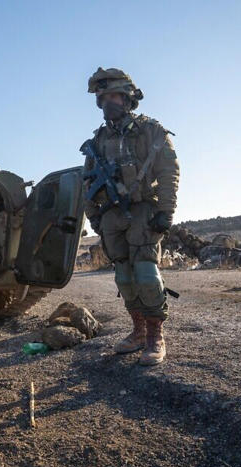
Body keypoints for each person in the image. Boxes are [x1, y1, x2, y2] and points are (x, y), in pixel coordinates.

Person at [83, 68, 180, 366]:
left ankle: (154, 336)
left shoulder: (150, 131)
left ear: (127, 98)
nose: (107, 103)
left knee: (147, 276)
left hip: (143, 212)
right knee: (124, 278)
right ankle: (138, 331)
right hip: (112, 217)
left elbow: (169, 173)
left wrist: (165, 213)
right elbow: (87, 183)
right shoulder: (98, 141)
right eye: (102, 98)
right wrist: (94, 217)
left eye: (113, 96)